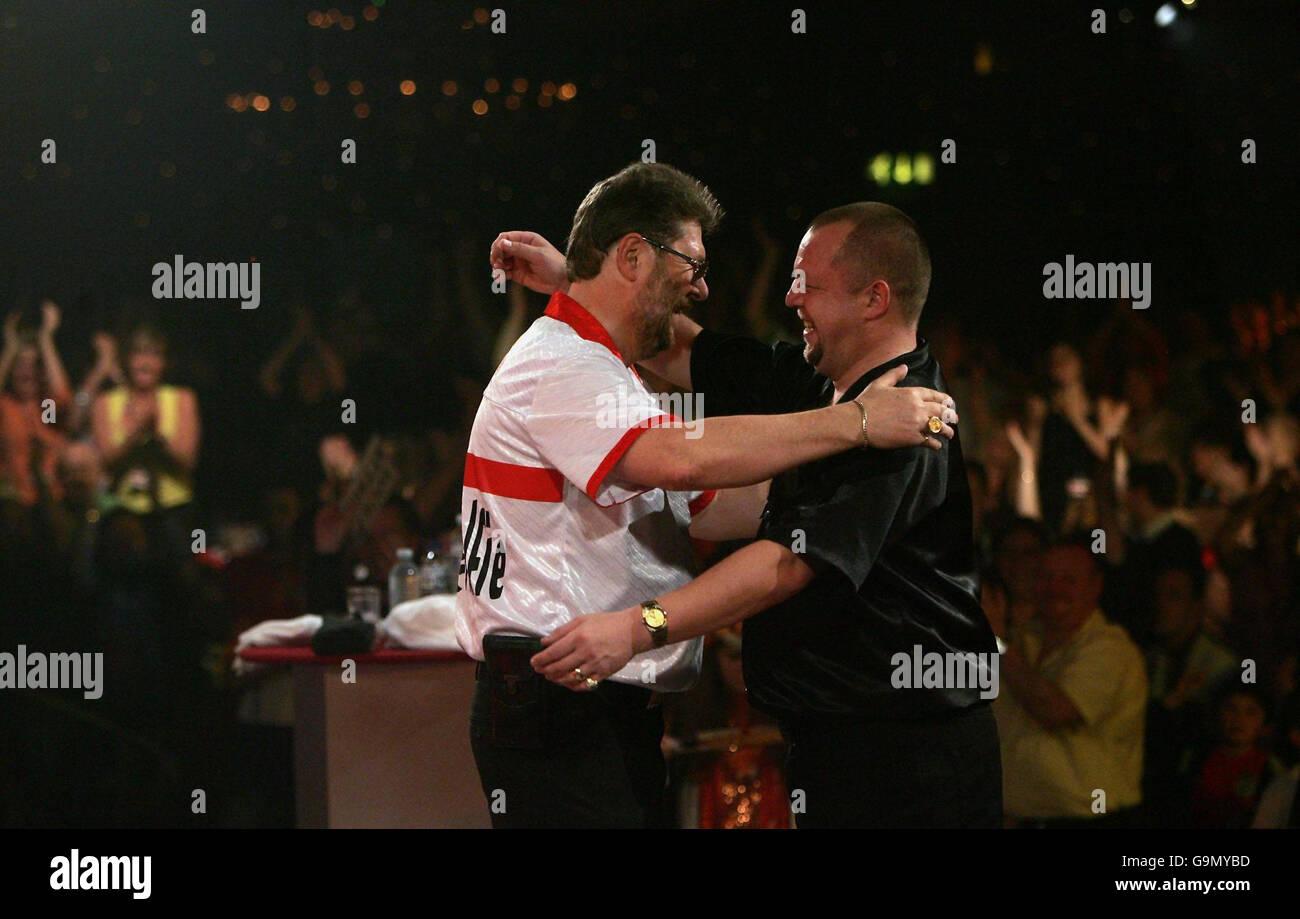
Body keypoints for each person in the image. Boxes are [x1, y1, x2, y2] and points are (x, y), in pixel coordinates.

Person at [462, 166, 959, 828]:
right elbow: (684, 457)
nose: (702, 286)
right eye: (691, 264)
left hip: (896, 742)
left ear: (872, 298)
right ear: (634, 254)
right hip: (569, 703)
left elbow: (722, 500)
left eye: (805, 284)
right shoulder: (571, 365)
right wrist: (857, 423)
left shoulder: (608, 367)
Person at [997, 537, 1148, 826]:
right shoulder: (1022, 639)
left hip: (1088, 822)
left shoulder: (1111, 649)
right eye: (1045, 577)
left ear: (1096, 587)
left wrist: (996, 642)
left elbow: (1056, 711)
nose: (1054, 589)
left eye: (1068, 580)